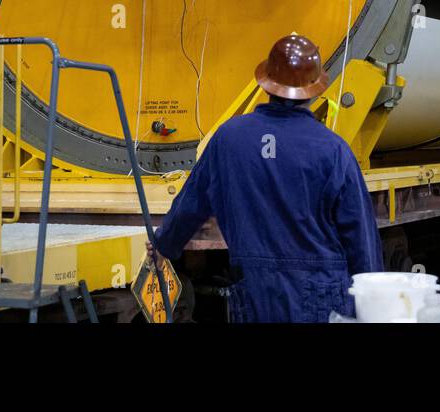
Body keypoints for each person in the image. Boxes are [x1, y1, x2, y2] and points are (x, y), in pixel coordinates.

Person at [150, 33, 382, 323]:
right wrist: (374, 300)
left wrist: (164, 245)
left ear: (266, 83)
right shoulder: (333, 149)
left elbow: (191, 202)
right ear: (314, 90)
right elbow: (359, 234)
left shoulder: (228, 139)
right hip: (320, 294)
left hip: (255, 294)